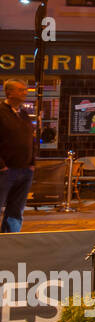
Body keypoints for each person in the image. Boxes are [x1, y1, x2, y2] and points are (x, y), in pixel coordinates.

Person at [0, 79, 36, 233]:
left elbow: (31, 138)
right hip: (5, 171)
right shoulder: (1, 112)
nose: (25, 92)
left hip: (24, 169)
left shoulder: (23, 114)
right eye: (21, 90)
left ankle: (10, 240)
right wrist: (1, 165)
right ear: (9, 92)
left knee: (16, 209)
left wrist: (32, 162)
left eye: (25, 89)